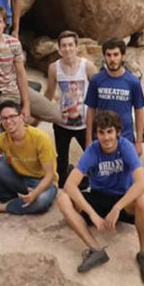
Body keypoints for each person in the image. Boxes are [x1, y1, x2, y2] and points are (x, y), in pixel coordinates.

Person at [57, 110, 144, 285]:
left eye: (110, 132)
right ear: (96, 134)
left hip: (121, 200)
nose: (106, 138)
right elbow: (70, 185)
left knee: (142, 198)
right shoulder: (93, 150)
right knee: (63, 198)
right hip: (98, 198)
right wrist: (92, 214)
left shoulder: (125, 147)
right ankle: (95, 249)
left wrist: (117, 208)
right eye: (101, 133)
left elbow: (142, 183)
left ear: (117, 132)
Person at [0, 99, 57, 215]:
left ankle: (6, 207)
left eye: (12, 117)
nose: (8, 121)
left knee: (41, 202)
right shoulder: (3, 139)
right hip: (19, 178)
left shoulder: (40, 138)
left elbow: (50, 175)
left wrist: (35, 193)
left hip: (42, 182)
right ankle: (8, 199)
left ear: (21, 117)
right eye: (4, 118)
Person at [0, 4, 60, 125]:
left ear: (4, 24)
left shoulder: (13, 43)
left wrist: (26, 104)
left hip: (16, 88)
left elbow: (21, 73)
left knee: (57, 116)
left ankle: (31, 124)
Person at [45, 30, 98, 186]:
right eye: (64, 46)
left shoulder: (87, 66)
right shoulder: (54, 68)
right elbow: (49, 93)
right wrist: (36, 116)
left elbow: (98, 92)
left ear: (76, 47)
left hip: (85, 123)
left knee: (93, 157)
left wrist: (99, 119)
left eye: (70, 45)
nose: (67, 49)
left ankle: (95, 185)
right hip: (62, 122)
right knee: (61, 162)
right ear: (59, 48)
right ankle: (64, 188)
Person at [85, 38, 144, 154]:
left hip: (126, 139)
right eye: (108, 55)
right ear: (104, 56)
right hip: (102, 138)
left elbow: (139, 111)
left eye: (116, 54)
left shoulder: (133, 82)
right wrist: (88, 139)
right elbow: (91, 110)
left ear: (123, 56)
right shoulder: (96, 80)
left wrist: (139, 141)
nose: (112, 59)